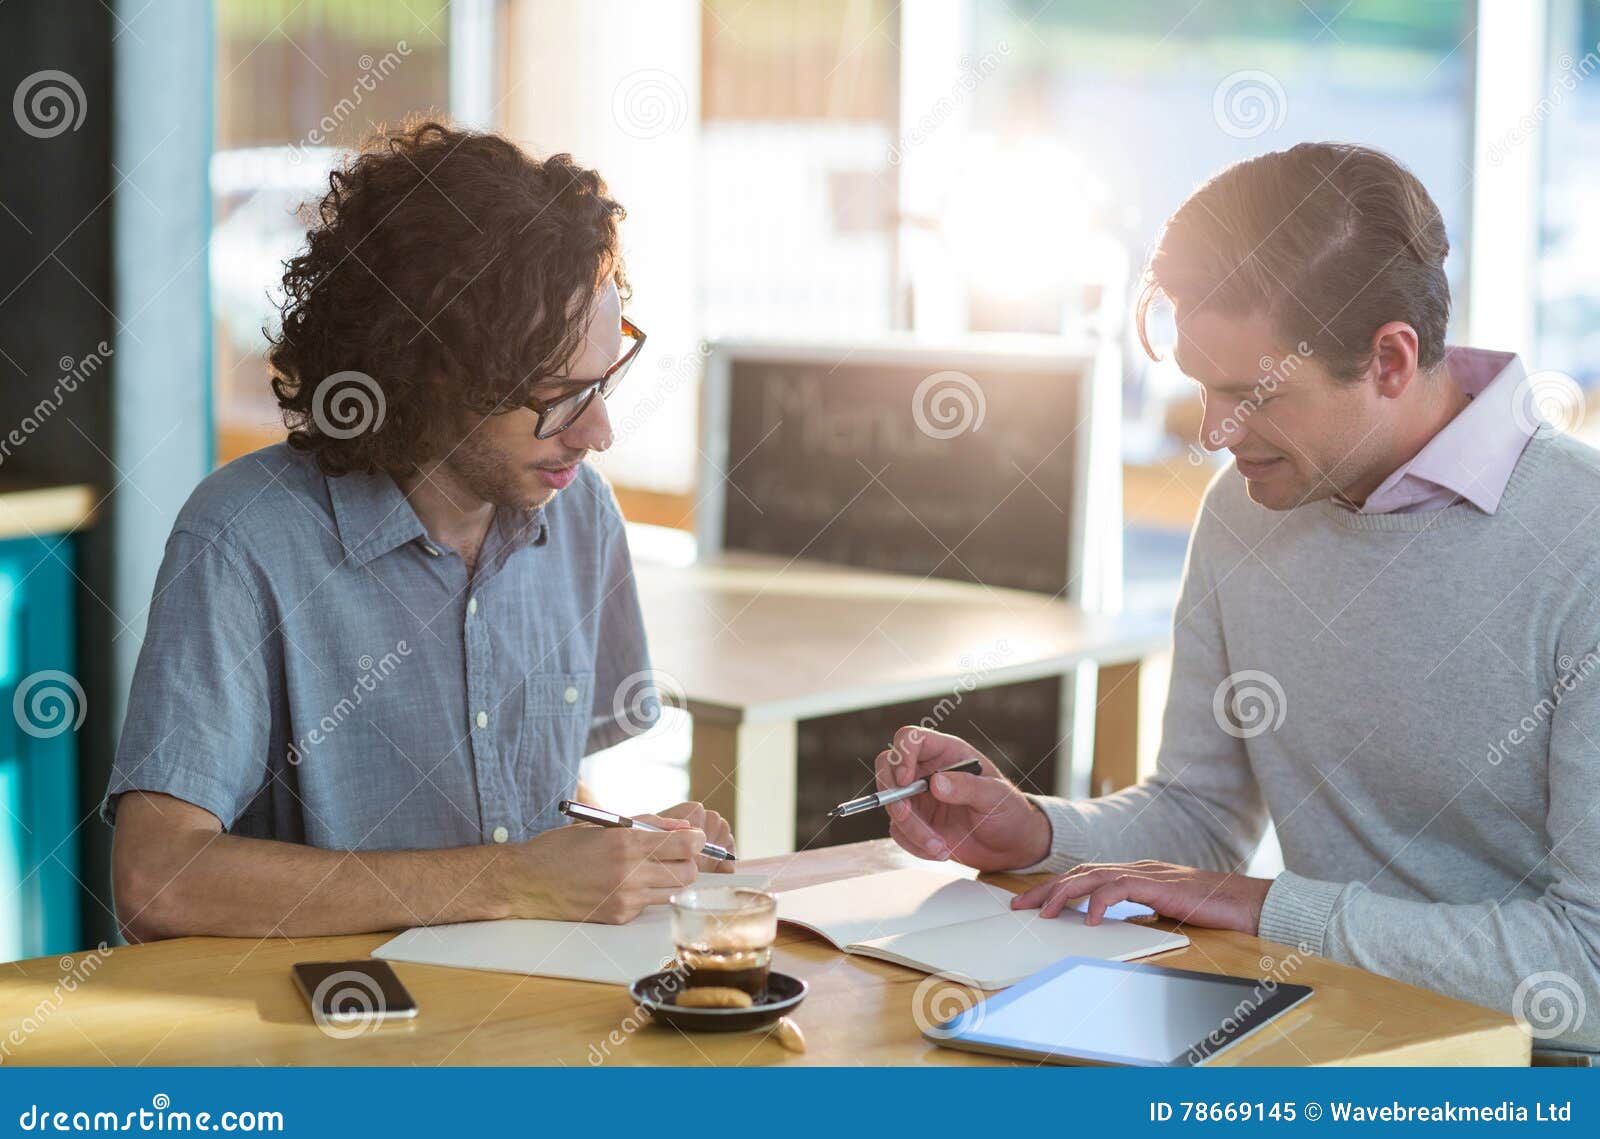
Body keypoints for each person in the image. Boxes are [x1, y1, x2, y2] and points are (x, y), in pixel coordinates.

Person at [876, 142, 1599, 1052]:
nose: (1216, 433)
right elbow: (1200, 818)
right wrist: (1033, 829)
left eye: (1251, 395)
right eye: (1203, 389)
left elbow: (1589, 966)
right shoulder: (1249, 508)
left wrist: (1267, 907)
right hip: (1326, 1029)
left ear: (1388, 358)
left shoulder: (1582, 545)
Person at [105, 122, 731, 942]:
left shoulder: (581, 515)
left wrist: (621, 853)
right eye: (557, 394)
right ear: (425, 372)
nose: (599, 431)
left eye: (604, 379)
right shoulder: (242, 539)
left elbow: (544, 811)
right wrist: (513, 881)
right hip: (334, 1046)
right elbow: (158, 882)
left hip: (526, 1024)